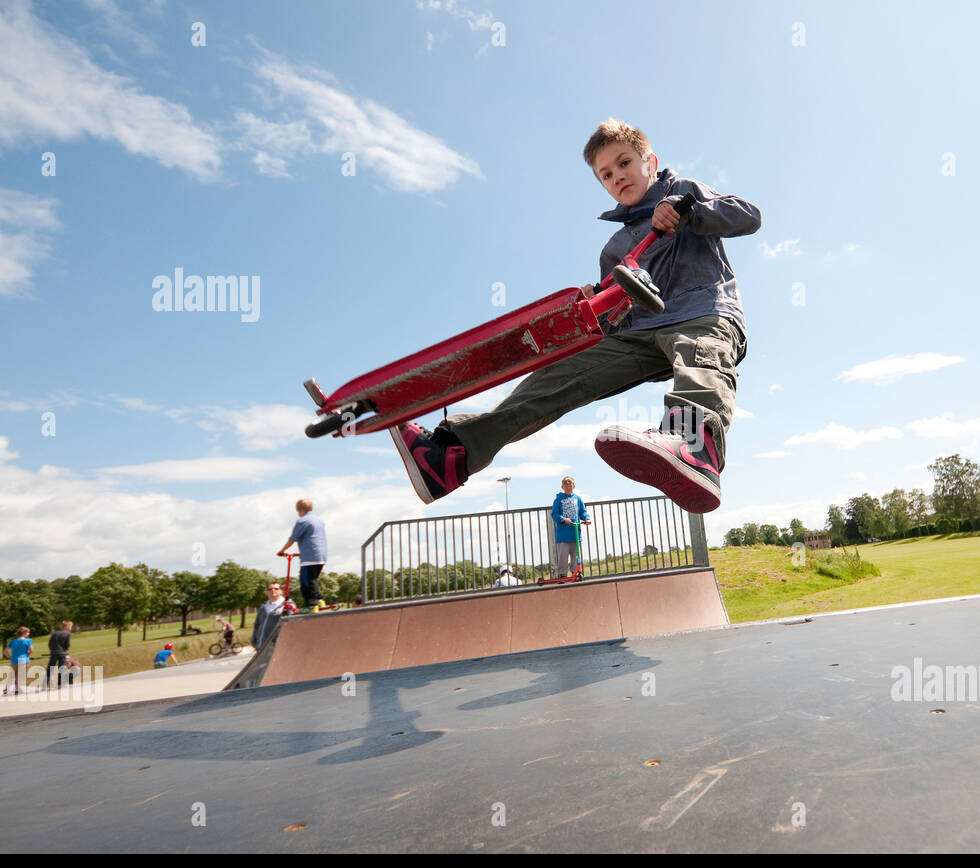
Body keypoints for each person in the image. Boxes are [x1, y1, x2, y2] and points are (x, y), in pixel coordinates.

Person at [391, 118, 759, 515]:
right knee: (558, 379)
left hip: (703, 313)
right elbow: (616, 309)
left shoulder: (682, 191)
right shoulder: (615, 247)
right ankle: (451, 456)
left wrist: (689, 212)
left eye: (624, 163)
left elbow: (747, 215)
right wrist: (595, 301)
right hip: (641, 333)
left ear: (650, 161)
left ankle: (692, 447)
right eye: (606, 174)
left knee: (698, 358)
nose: (617, 176)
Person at [277, 499, 328, 612]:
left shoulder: (302, 521)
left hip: (309, 557)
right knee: (312, 579)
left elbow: (293, 539)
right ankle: (319, 600)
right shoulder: (319, 521)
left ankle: (311, 604)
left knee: (306, 581)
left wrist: (282, 551)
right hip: (321, 556)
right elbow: (311, 538)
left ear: (299, 510)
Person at [551, 477, 592, 577]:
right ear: (562, 487)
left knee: (576, 557)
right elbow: (554, 514)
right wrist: (563, 519)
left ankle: (576, 573)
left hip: (575, 534)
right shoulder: (558, 499)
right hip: (563, 535)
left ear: (574, 486)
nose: (568, 487)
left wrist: (586, 519)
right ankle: (562, 575)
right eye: (566, 485)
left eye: (570, 485)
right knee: (563, 557)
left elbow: (582, 512)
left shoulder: (577, 499)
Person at [251, 582, 286, 649]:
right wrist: (254, 641)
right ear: (267, 592)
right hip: (261, 646)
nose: (273, 590)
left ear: (281, 591)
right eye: (270, 589)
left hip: (277, 646)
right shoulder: (263, 607)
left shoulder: (286, 605)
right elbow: (257, 625)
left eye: (276, 588)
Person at [4, 627, 34, 695]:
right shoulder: (28, 641)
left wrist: (10, 657)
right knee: (20, 675)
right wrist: (27, 655)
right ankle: (17, 689)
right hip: (23, 659)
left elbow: (5, 651)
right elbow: (31, 650)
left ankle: (6, 688)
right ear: (24, 633)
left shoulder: (13, 641)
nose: (28, 634)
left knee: (11, 675)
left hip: (14, 660)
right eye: (28, 632)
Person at [47, 619, 74, 688]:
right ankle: (60, 684)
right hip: (62, 653)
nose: (71, 628)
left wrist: (52, 650)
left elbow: (50, 643)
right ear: (67, 626)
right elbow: (67, 645)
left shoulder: (55, 633)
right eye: (71, 626)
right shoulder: (67, 634)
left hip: (53, 652)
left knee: (50, 668)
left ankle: (44, 684)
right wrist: (65, 651)